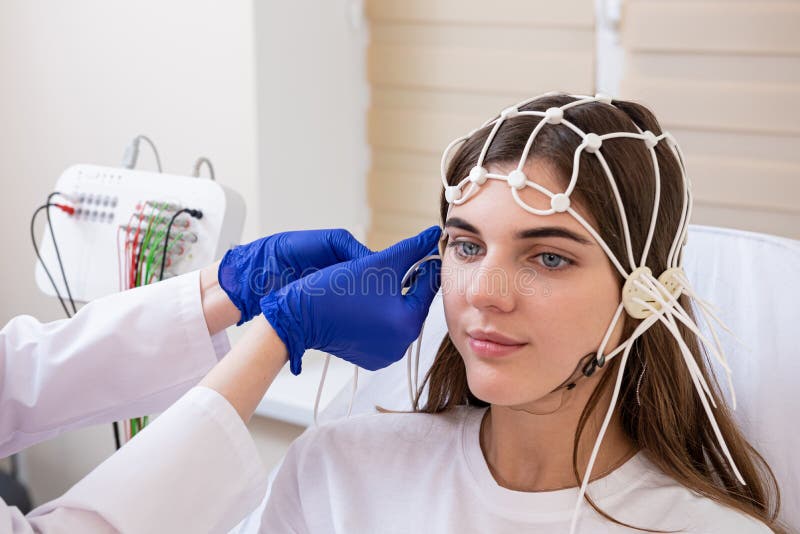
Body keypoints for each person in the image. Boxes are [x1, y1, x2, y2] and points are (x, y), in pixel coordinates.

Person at [253, 94, 787, 533]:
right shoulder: (337, 473)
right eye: (466, 246)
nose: (488, 294)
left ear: (645, 294)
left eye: (549, 257)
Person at [0, 227, 441, 532]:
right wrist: (279, 332)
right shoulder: (331, 466)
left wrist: (234, 282)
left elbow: (17, 373)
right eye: (467, 246)